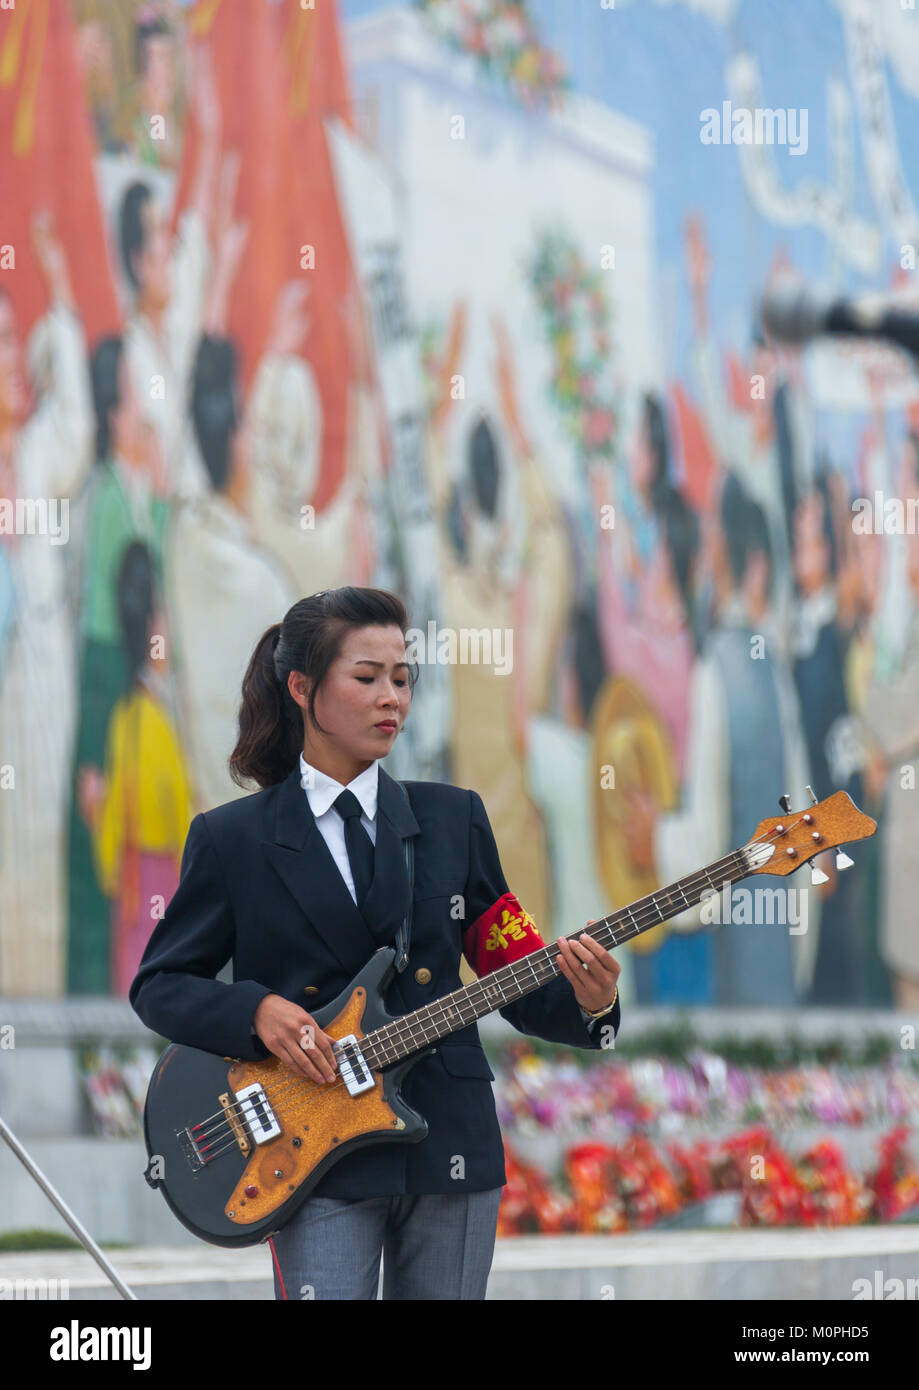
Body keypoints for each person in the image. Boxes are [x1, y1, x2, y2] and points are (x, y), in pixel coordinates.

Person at [130, 587, 621, 1300]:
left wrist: (592, 1001)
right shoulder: (232, 840)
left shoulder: (454, 820)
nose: (391, 697)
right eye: (366, 678)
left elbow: (515, 972)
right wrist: (257, 1011)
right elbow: (161, 984)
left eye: (401, 678)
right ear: (301, 687)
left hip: (448, 1142)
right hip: (309, 1153)